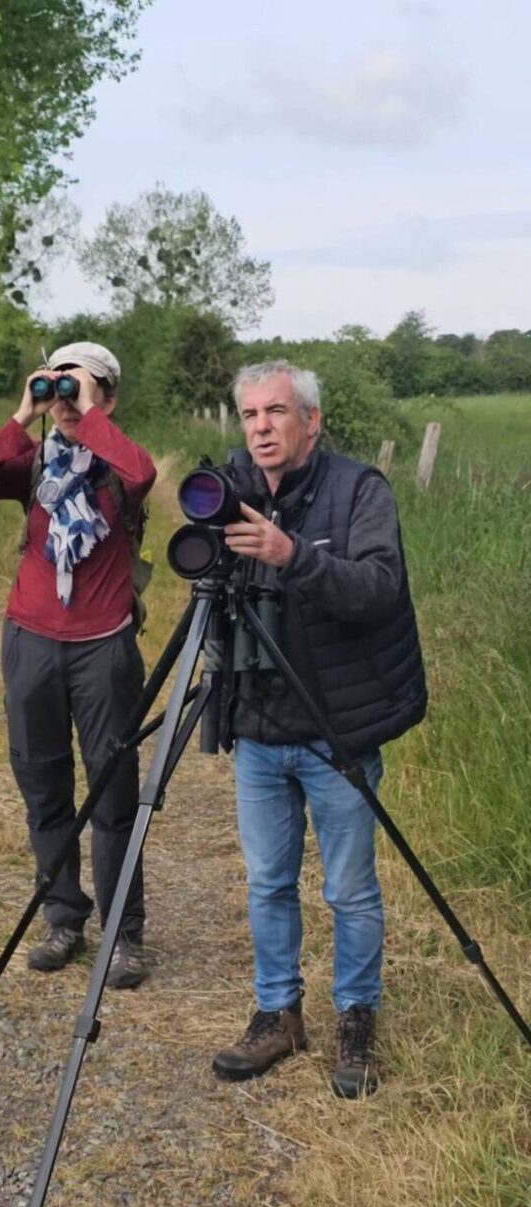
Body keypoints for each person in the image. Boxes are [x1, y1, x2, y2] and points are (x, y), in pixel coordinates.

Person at [212, 359, 427, 1097]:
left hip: (339, 732)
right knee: (269, 881)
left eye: (276, 412)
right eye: (250, 415)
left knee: (350, 890)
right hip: (261, 727)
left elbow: (378, 586)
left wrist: (292, 556)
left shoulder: (359, 489)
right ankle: (278, 1012)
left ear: (312, 419)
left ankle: (355, 1020)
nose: (262, 427)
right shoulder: (233, 491)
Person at [0, 341, 156, 989]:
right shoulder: (37, 463)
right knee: (42, 782)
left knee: (113, 791)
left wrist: (87, 414)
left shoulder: (117, 463)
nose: (66, 399)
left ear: (109, 394)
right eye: (58, 386)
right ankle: (63, 915)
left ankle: (124, 932)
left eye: (83, 386)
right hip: (32, 640)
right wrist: (23, 413)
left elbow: (144, 473)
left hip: (104, 644)